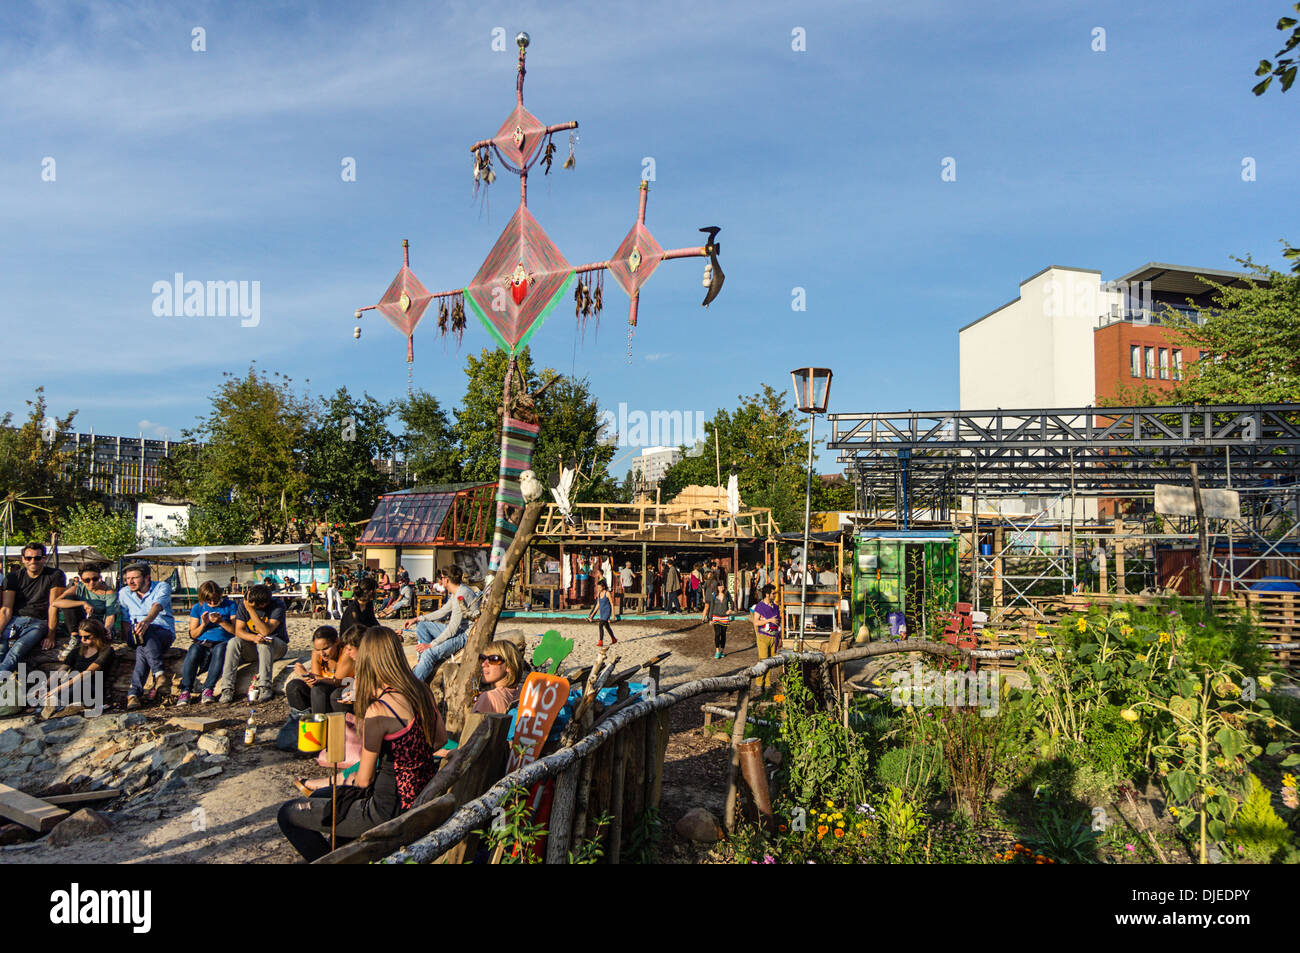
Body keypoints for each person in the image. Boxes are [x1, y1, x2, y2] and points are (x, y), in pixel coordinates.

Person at [277, 626, 445, 862]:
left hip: (385, 809)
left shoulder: (379, 710)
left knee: (288, 814)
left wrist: (349, 778)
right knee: (325, 795)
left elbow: (364, 780)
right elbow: (440, 740)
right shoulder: (422, 691)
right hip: (417, 793)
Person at [403, 566, 481, 683]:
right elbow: (443, 612)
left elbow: (452, 629)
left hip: (465, 635)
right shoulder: (458, 591)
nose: (440, 580)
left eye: (441, 577)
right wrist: (417, 619)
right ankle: (424, 663)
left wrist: (431, 645)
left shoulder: (461, 595)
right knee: (422, 625)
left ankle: (412, 686)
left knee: (429, 653)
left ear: (446, 579)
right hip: (458, 630)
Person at [0, 542, 65, 681]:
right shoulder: (13, 577)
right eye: (28, 558)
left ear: (44, 558)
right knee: (1, 646)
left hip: (39, 622)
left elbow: (54, 606)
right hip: (15, 619)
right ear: (23, 559)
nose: (32, 561)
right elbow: (6, 608)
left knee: (18, 650)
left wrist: (51, 634)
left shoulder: (55, 575)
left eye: (37, 558)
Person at [117, 562, 175, 709]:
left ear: (147, 578)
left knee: (142, 646)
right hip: (136, 634)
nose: (130, 582)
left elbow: (158, 605)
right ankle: (159, 673)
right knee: (141, 636)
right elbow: (125, 619)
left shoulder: (162, 587)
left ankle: (133, 694)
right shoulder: (124, 593)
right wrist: (127, 638)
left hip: (162, 631)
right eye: (127, 578)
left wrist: (146, 621)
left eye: (134, 578)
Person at [218, 583, 288, 703]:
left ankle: (265, 686)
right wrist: (253, 637)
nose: (248, 604)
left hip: (277, 646)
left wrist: (250, 610)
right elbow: (238, 631)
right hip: (254, 646)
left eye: (253, 605)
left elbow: (265, 631)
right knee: (233, 642)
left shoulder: (277, 605)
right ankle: (227, 688)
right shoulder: (244, 603)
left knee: (264, 642)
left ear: (263, 604)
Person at [179, 580, 238, 704]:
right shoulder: (198, 608)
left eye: (215, 600)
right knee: (193, 650)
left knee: (220, 650)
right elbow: (193, 634)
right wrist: (204, 624)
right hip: (203, 641)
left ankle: (208, 688)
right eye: (208, 601)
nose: (212, 603)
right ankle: (185, 690)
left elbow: (236, 631)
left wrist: (221, 622)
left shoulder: (230, 605)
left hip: (223, 641)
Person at [52, 562, 118, 645]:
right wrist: (82, 603)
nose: (91, 582)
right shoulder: (78, 588)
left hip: (98, 624)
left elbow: (110, 615)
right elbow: (55, 602)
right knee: (69, 599)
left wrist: (107, 628)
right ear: (82, 580)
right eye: (87, 580)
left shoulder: (109, 592)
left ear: (100, 577)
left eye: (95, 579)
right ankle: (75, 636)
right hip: (81, 622)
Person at [286, 625, 342, 716]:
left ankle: (317, 721)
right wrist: (306, 676)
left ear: (336, 641)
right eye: (318, 649)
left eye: (326, 648)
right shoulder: (317, 654)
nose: (322, 654)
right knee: (293, 686)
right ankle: (301, 719)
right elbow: (312, 684)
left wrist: (309, 675)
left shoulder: (345, 654)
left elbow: (338, 682)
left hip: (338, 695)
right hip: (320, 696)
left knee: (318, 690)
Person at [473, 639, 524, 714]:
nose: (483, 664)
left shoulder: (488, 698)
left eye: (493, 659)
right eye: (483, 658)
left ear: (509, 666)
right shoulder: (523, 692)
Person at [751, 584, 781, 690]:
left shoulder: (775, 606)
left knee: (770, 661)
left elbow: (779, 622)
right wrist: (769, 620)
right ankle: (759, 683)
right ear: (767, 594)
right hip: (763, 636)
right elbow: (756, 622)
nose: (775, 595)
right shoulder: (760, 606)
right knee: (763, 660)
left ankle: (767, 683)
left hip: (774, 636)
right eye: (773, 593)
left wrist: (780, 637)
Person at [703, 580, 736, 660]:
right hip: (716, 616)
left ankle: (722, 650)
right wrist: (710, 618)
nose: (721, 588)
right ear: (717, 587)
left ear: (724, 587)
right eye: (719, 586)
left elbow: (732, 603)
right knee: (717, 634)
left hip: (724, 617)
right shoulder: (714, 594)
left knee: (723, 634)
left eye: (722, 586)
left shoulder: (727, 594)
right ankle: (717, 650)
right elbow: (711, 607)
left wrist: (730, 610)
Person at [589, 580, 616, 647]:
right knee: (607, 626)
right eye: (598, 587)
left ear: (603, 587)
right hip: (602, 612)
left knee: (600, 624)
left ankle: (600, 641)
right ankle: (613, 639)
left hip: (607, 611)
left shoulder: (607, 593)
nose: (598, 589)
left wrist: (613, 615)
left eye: (600, 587)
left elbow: (612, 604)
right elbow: (598, 605)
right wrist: (592, 614)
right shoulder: (599, 593)